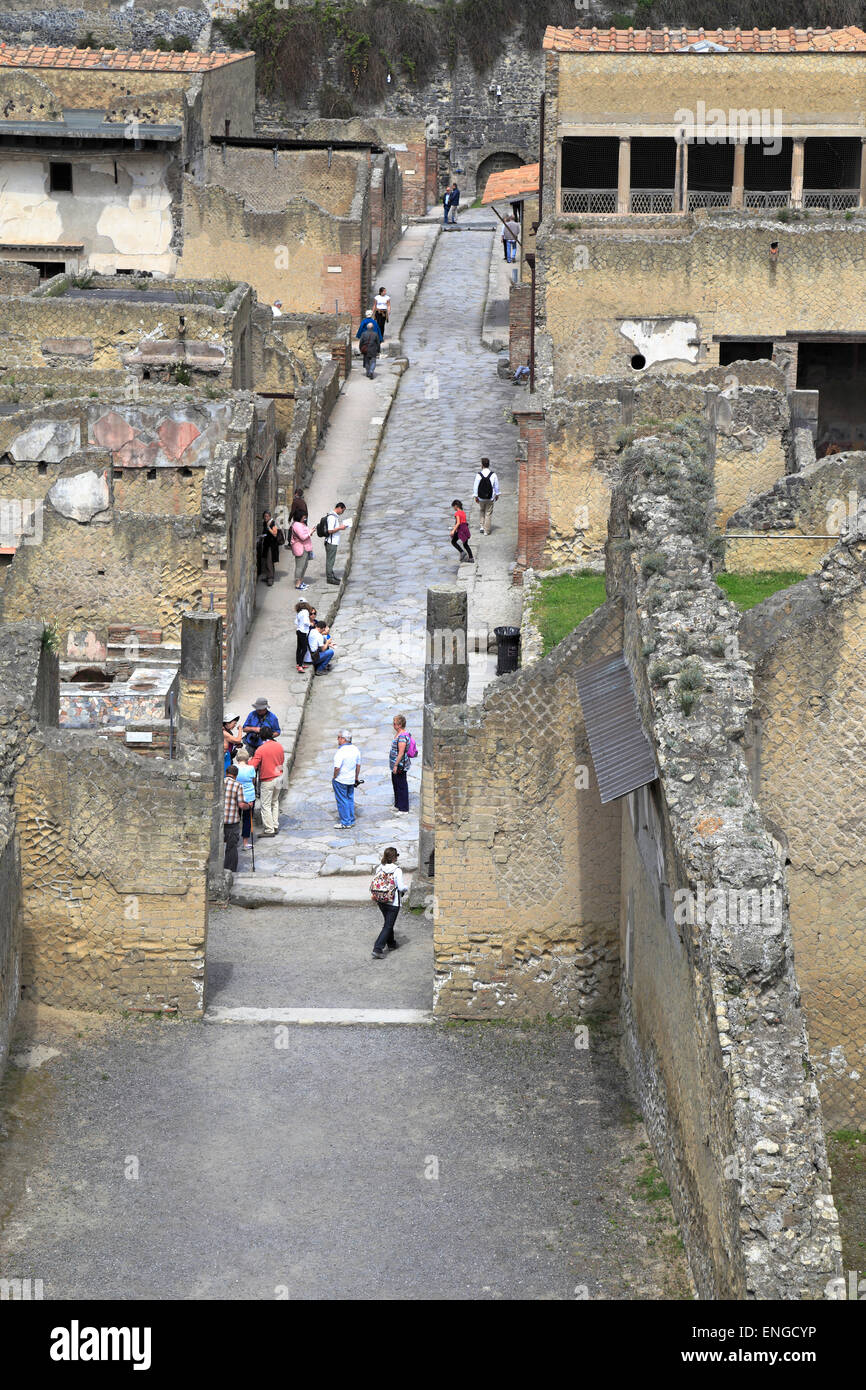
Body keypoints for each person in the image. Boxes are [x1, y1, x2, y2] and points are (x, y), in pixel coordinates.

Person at [370, 846, 405, 959]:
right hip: (393, 902)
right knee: (388, 925)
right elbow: (400, 887)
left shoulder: (380, 868)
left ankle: (391, 944)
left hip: (381, 900)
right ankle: (377, 948)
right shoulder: (397, 870)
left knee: (388, 923)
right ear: (394, 858)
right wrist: (406, 888)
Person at [250, 726, 285, 836]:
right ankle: (275, 825)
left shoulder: (261, 749)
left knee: (265, 805)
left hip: (267, 779)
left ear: (261, 736)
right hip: (279, 777)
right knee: (275, 802)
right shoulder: (279, 746)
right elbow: (282, 760)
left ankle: (269, 829)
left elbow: (253, 766)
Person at [223, 765, 250, 872]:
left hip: (218, 820)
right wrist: (249, 806)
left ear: (226, 773)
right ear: (236, 775)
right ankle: (229, 871)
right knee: (231, 847)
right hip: (232, 821)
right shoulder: (238, 785)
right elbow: (241, 805)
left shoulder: (219, 782)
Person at [332, 730, 361, 829]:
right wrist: (356, 777)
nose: (338, 739)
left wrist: (334, 777)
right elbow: (358, 765)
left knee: (342, 800)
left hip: (341, 779)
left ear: (344, 739)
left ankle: (345, 822)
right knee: (349, 799)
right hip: (351, 779)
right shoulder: (355, 749)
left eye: (339, 737)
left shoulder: (340, 752)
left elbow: (337, 768)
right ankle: (351, 819)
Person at [235, 745, 257, 849]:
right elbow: (253, 781)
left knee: (236, 818)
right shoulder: (251, 768)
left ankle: (233, 840)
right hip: (249, 796)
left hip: (237, 796)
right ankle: (245, 843)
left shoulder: (234, 768)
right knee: (247, 819)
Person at [389, 713, 411, 814]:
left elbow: (401, 753)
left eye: (395, 724)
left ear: (399, 725)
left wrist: (396, 765)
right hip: (395, 765)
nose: (393, 725)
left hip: (400, 765)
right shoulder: (398, 734)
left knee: (401, 785)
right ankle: (398, 804)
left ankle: (403, 808)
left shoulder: (402, 736)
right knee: (396, 784)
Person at [473, 457, 500, 535]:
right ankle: (486, 531)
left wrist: (476, 496)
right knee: (488, 513)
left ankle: (481, 526)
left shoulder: (478, 475)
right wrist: (497, 494)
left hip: (481, 497)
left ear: (482, 465)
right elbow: (496, 486)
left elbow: (475, 486)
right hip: (490, 497)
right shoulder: (493, 474)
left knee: (482, 510)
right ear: (488, 464)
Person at [324, 501, 348, 585]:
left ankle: (331, 575)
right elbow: (330, 530)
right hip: (331, 542)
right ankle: (330, 578)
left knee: (331, 560)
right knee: (330, 560)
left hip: (333, 542)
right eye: (343, 510)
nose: (342, 512)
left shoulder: (334, 516)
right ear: (339, 508)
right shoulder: (332, 517)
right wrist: (340, 528)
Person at [289, 512, 313, 589]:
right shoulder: (296, 525)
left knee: (304, 565)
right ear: (299, 517)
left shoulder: (301, 524)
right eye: (304, 517)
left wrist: (310, 532)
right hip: (300, 548)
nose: (305, 518)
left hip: (305, 547)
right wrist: (310, 532)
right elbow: (302, 537)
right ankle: (297, 584)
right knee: (300, 566)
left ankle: (301, 582)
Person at [258, 510, 281, 586]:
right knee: (267, 561)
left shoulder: (272, 523)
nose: (266, 518)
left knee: (269, 562)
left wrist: (269, 529)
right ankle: (268, 576)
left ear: (270, 516)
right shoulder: (265, 523)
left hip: (272, 546)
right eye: (264, 516)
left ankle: (270, 578)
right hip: (266, 545)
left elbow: (275, 534)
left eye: (267, 516)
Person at [295, 600, 311, 673]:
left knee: (299, 648)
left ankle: (298, 664)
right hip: (303, 631)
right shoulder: (306, 612)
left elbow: (295, 621)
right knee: (304, 649)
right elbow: (306, 622)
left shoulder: (299, 612)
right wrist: (310, 624)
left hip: (298, 630)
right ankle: (300, 666)